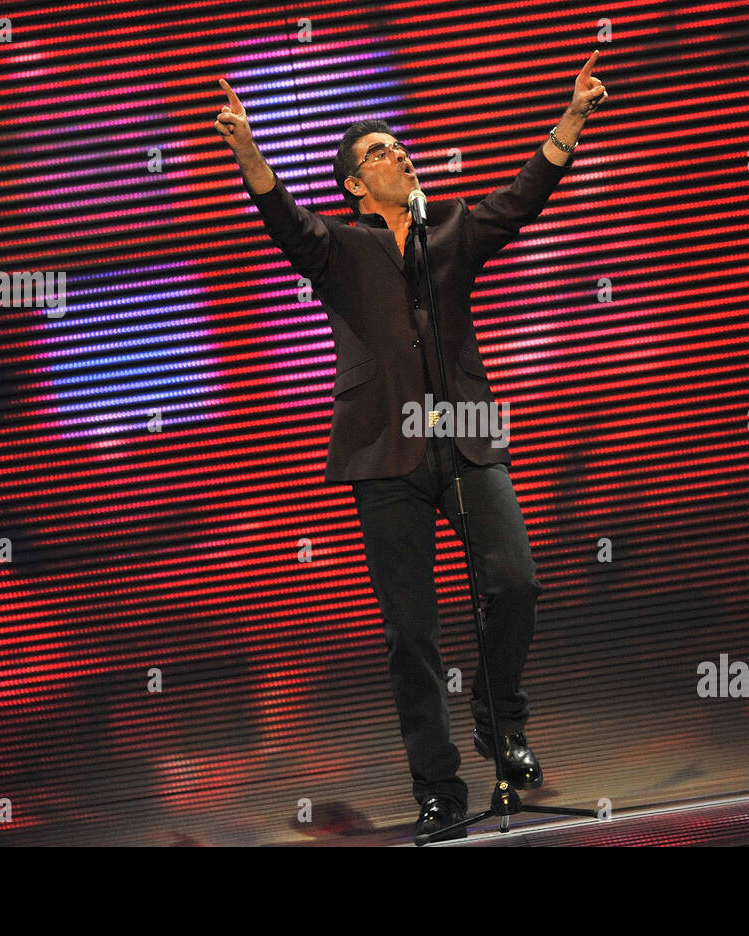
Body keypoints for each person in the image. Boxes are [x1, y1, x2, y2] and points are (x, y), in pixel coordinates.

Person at [213, 52, 608, 844]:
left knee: (516, 582)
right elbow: (283, 220)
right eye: (379, 152)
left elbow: (522, 200)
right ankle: (438, 789)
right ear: (355, 184)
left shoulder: (453, 229)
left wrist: (571, 120)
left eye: (399, 145)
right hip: (383, 451)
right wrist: (248, 150)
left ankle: (501, 723)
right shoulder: (338, 247)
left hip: (465, 435)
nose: (399, 154)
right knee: (412, 632)